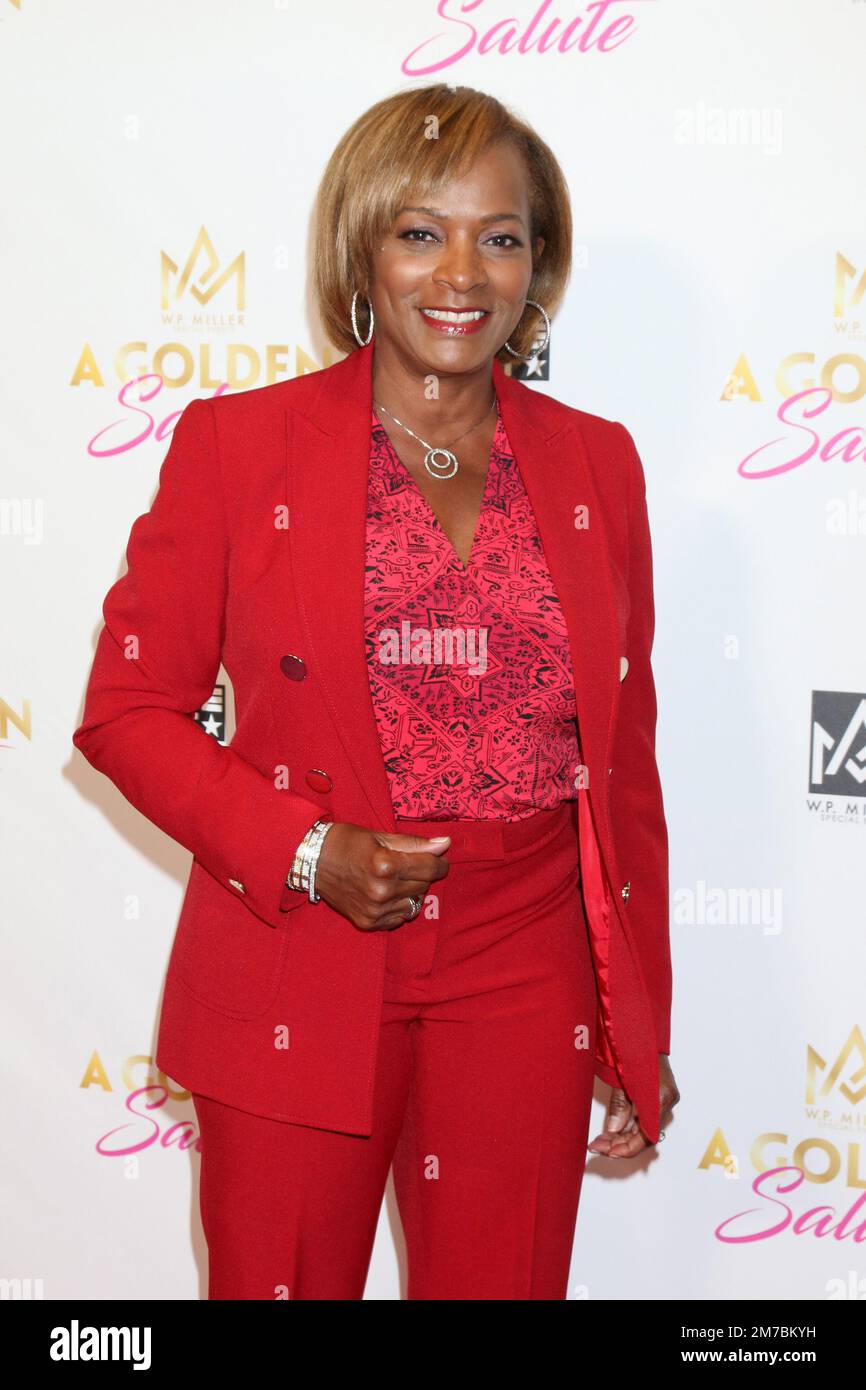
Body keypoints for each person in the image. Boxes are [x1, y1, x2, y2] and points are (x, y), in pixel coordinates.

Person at [72, 82, 679, 1300]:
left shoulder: (596, 462)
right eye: (419, 231)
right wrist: (305, 851)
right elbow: (126, 712)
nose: (461, 271)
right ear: (361, 250)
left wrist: (633, 1016)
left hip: (523, 958)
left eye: (499, 236)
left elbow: (620, 763)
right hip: (301, 948)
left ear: (536, 266)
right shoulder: (239, 449)